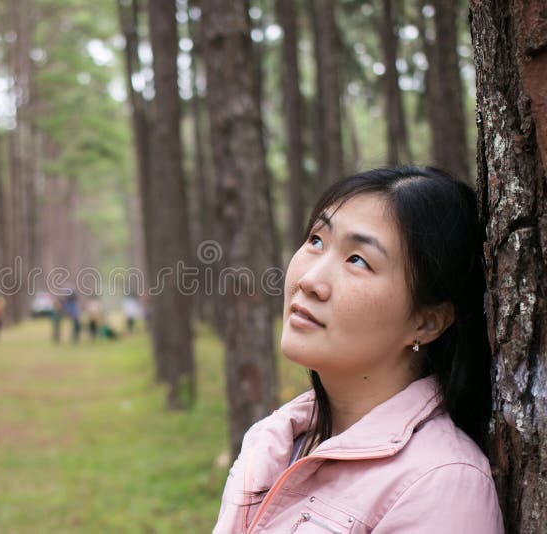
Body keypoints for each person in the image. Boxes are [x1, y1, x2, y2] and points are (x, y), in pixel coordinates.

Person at [213, 167, 503, 533]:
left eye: (357, 261)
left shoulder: (440, 486)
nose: (309, 280)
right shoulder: (274, 440)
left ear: (427, 322)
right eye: (316, 240)